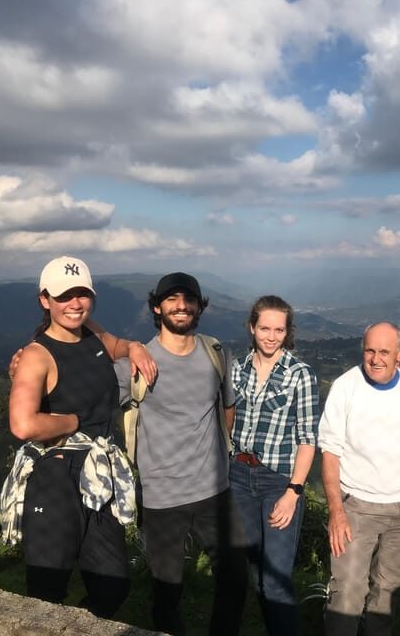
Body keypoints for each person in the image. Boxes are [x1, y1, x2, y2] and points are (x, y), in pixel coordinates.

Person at [1, 255, 156, 618]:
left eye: (82, 294)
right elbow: (22, 424)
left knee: (113, 585)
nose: (75, 304)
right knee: (46, 589)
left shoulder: (93, 333)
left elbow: (115, 345)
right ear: (45, 300)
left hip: (96, 471)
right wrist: (70, 421)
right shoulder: (37, 355)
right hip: (56, 475)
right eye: (64, 296)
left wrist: (134, 347)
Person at [115, 272, 248, 636]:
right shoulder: (135, 365)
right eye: (171, 299)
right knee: (166, 591)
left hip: (214, 491)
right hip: (161, 497)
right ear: (157, 307)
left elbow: (227, 406)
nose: (181, 305)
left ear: (199, 307)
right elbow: (86, 387)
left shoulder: (215, 352)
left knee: (236, 580)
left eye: (189, 299)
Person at [318, 321, 400, 636]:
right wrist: (336, 511)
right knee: (347, 595)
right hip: (358, 508)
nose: (376, 359)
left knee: (387, 595)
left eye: (384, 352)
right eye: (369, 350)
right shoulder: (346, 387)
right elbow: (330, 452)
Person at [229, 295, 320, 636]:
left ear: (287, 332)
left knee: (277, 578)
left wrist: (293, 492)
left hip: (277, 481)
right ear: (252, 327)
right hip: (238, 476)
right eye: (264, 328)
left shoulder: (301, 375)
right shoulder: (236, 369)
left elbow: (308, 439)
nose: (270, 336)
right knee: (256, 574)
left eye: (278, 329)